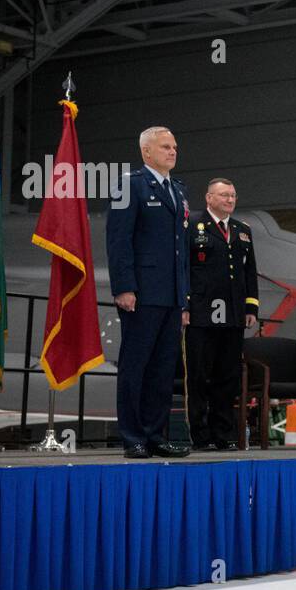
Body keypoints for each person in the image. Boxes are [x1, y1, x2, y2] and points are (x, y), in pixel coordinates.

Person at [106, 126, 191, 459]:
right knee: (135, 366)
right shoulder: (130, 185)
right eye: (165, 146)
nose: (172, 151)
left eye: (174, 146)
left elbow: (180, 250)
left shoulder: (179, 191)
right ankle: (133, 436)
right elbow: (119, 240)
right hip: (141, 294)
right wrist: (124, 287)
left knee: (163, 369)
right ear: (147, 152)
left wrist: (183, 298)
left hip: (170, 296)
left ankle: (156, 434)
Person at [184, 178, 259, 451]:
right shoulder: (192, 226)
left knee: (227, 377)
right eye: (224, 195)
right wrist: (186, 305)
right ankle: (200, 435)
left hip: (233, 314)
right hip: (201, 313)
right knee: (200, 375)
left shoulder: (242, 230)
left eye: (233, 195)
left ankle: (223, 433)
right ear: (208, 198)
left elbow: (249, 271)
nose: (230, 200)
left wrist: (251, 307)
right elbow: (185, 268)